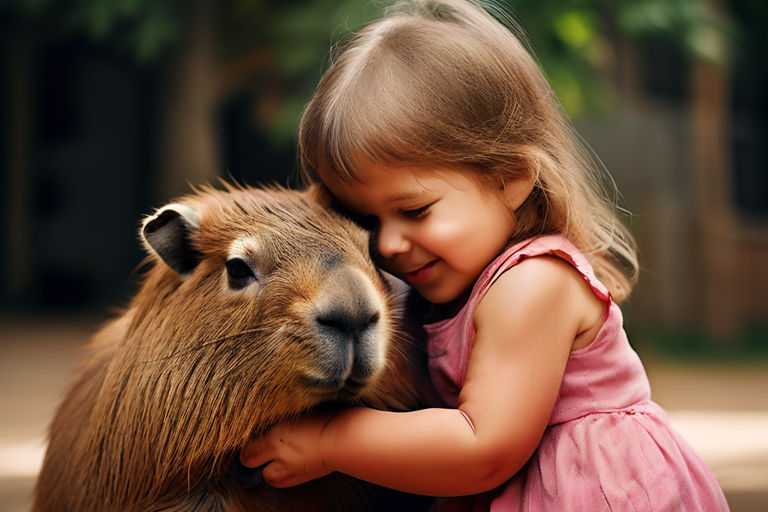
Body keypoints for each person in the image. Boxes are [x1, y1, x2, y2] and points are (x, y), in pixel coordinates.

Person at [240, 0, 729, 509]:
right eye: (366, 221)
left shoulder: (534, 283)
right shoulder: (435, 293)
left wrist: (329, 443)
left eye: (416, 210)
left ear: (509, 178)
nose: (387, 244)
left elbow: (483, 447)